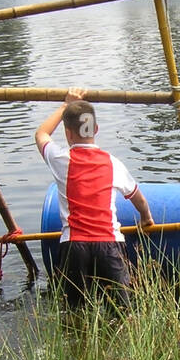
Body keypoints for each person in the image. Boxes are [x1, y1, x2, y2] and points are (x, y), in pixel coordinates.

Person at [35, 88, 153, 308]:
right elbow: (140, 200)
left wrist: (64, 105)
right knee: (122, 311)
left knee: (75, 312)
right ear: (96, 129)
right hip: (108, 244)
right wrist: (146, 218)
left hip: (75, 246)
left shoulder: (61, 159)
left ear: (68, 133)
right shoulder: (113, 163)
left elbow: (41, 134)